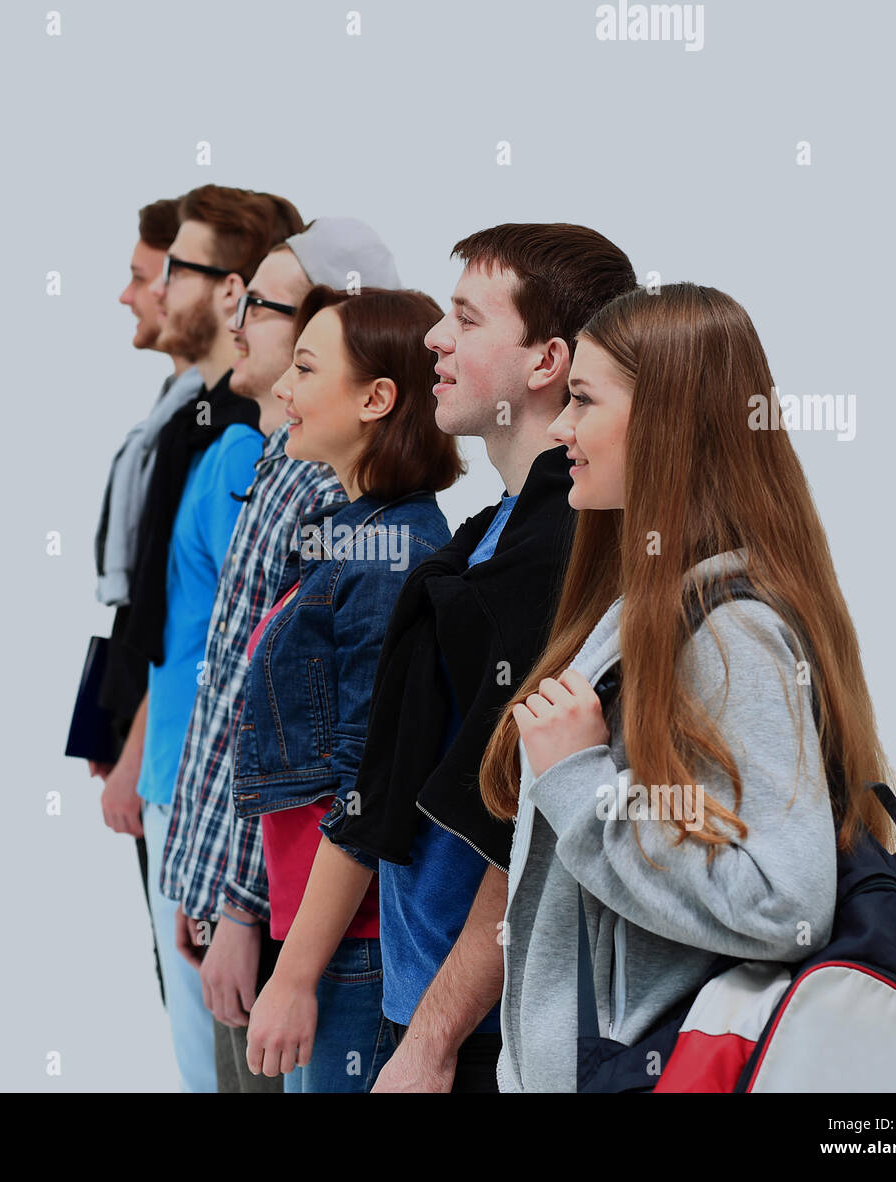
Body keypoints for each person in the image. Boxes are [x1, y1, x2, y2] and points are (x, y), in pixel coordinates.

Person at [479, 283, 893, 1092]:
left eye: (585, 400)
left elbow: (786, 902)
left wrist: (582, 785)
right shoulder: (645, 604)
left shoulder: (728, 634)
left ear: (668, 421)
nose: (561, 426)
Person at [323, 224, 637, 1092]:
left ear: (546, 363)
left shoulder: (566, 557)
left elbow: (524, 836)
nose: (435, 336)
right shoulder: (492, 533)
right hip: (424, 1003)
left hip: (475, 1035)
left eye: (465, 319)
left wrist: (429, 1043)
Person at [160, 218, 403, 1093]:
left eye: (263, 306)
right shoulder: (276, 462)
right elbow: (231, 689)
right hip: (236, 888)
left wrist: (238, 905)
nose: (239, 318)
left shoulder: (326, 494)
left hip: (277, 916)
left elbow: (299, 742)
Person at [98, 184, 305, 1091]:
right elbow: (178, 620)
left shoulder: (235, 449)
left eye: (168, 269)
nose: (141, 291)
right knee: (203, 1055)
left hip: (203, 790)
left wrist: (235, 885)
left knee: (219, 1058)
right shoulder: (207, 433)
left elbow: (250, 654)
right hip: (183, 783)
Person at [233, 286, 462, 1090]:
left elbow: (368, 786)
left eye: (303, 367)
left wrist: (295, 977)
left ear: (377, 398)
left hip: (349, 951)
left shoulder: (390, 555)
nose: (284, 389)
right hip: (321, 941)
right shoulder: (354, 532)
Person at [90, 197, 199, 1010]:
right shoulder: (172, 413)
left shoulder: (208, 427)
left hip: (172, 759)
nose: (127, 296)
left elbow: (195, 619)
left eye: (139, 277)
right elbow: (141, 601)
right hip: (150, 739)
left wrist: (131, 749)